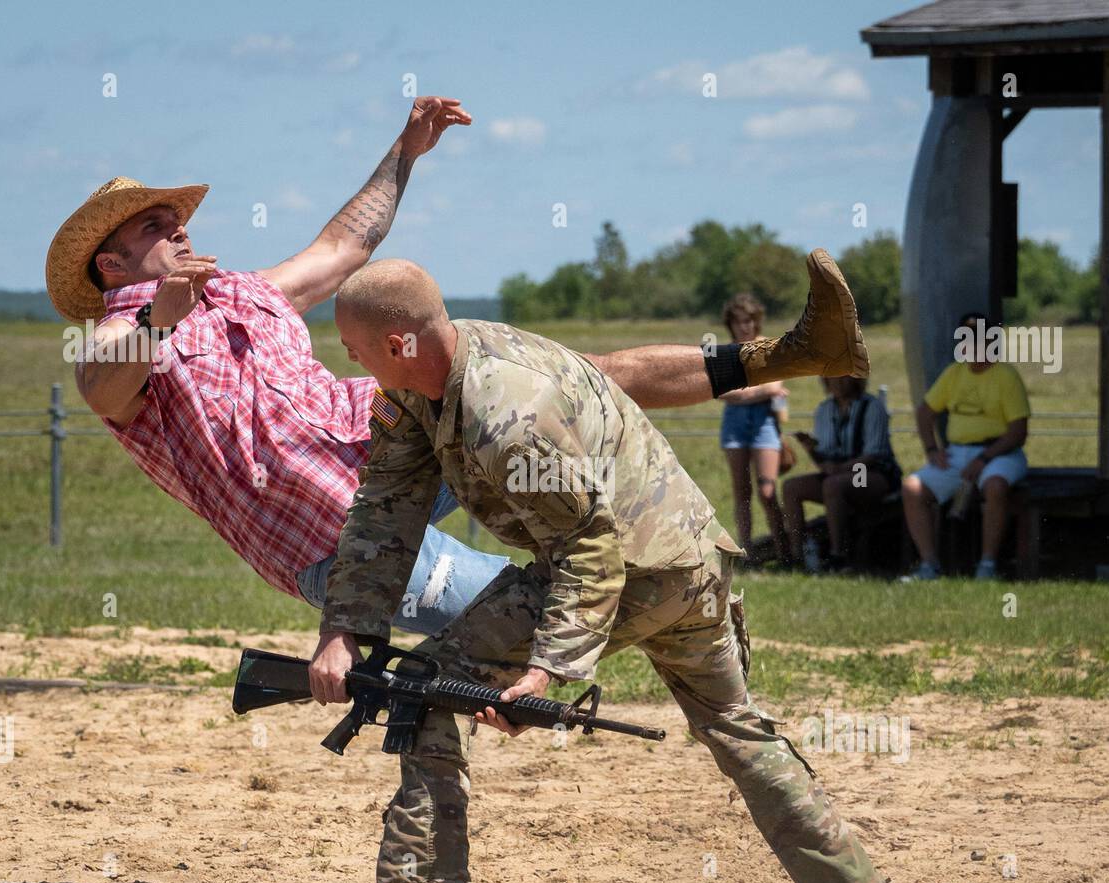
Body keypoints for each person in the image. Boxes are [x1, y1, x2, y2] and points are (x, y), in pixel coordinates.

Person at [44, 95, 874, 631]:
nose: (174, 227)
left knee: (565, 374)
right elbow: (100, 384)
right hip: (340, 531)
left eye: (169, 215)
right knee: (516, 615)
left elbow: (344, 245)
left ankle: (786, 354)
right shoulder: (125, 340)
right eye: (149, 227)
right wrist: (158, 319)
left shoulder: (247, 293)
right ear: (110, 268)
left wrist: (404, 152)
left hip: (406, 435)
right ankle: (673, 621)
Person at [307, 258, 915, 883]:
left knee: (433, 682)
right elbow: (385, 509)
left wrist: (540, 673)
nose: (346, 357)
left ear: (396, 345)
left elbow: (589, 550)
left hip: (629, 566)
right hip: (690, 559)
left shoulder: (506, 413)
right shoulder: (430, 376)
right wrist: (343, 629)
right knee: (737, 729)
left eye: (352, 345)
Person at [901, 312, 1031, 580]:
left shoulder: (1006, 376)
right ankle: (929, 565)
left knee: (995, 486)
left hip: (1000, 453)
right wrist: (932, 450)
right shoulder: (954, 373)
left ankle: (987, 565)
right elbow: (925, 412)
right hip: (957, 452)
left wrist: (984, 459)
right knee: (911, 488)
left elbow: (1018, 432)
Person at [783, 376, 901, 573]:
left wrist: (839, 469)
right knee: (791, 486)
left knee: (835, 485)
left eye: (842, 378)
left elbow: (873, 454)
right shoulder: (824, 409)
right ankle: (796, 555)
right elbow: (825, 456)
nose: (836, 383)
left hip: (868, 471)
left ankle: (839, 555)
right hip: (837, 472)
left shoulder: (872, 407)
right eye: (832, 378)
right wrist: (811, 449)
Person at [716, 293, 791, 568]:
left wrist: (743, 392)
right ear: (731, 324)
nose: (744, 327)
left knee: (768, 491)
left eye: (748, 321)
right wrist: (759, 391)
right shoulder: (726, 351)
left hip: (764, 426)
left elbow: (776, 387)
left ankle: (785, 551)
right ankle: (746, 553)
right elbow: (721, 391)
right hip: (735, 426)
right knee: (741, 491)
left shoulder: (770, 347)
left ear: (756, 321)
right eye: (738, 322)